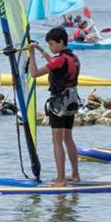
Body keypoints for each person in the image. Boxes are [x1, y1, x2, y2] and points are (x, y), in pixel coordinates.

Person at [28, 27, 81, 186]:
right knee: (68, 138)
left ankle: (61, 179)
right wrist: (40, 49)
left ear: (61, 42)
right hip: (71, 101)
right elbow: (54, 62)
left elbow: (35, 73)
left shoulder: (59, 60)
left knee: (57, 141)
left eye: (52, 44)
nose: (50, 47)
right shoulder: (73, 57)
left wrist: (31, 54)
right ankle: (75, 175)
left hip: (59, 103)